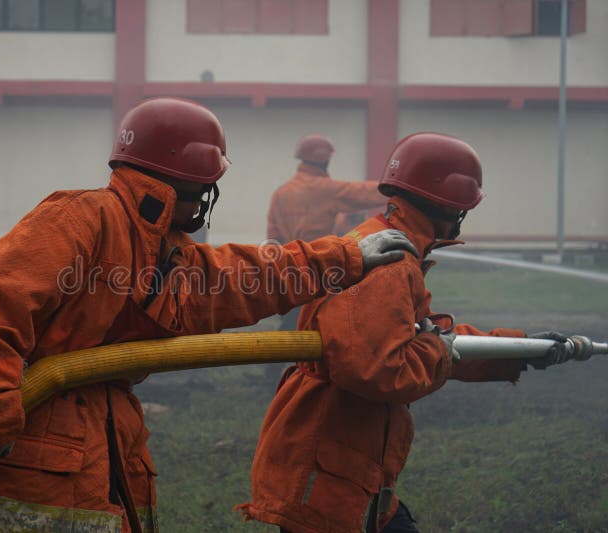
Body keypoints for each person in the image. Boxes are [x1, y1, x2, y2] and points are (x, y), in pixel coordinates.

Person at [0, 97, 418, 533]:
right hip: (35, 449)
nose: (208, 198)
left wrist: (345, 259)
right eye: (207, 186)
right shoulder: (80, 220)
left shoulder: (166, 255)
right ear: (186, 181)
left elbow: (248, 275)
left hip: (104, 437)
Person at [236, 132, 593, 533]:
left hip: (344, 463)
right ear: (451, 205)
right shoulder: (389, 261)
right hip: (328, 471)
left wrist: (521, 347)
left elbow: (428, 336)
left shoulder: (383, 240)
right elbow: (381, 369)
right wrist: (436, 349)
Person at [268, 134, 386, 331]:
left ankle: (278, 359)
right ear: (326, 159)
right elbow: (363, 193)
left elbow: (272, 237)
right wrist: (398, 188)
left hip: (288, 268)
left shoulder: (281, 193)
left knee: (291, 323)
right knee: (314, 324)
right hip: (317, 266)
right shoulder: (326, 189)